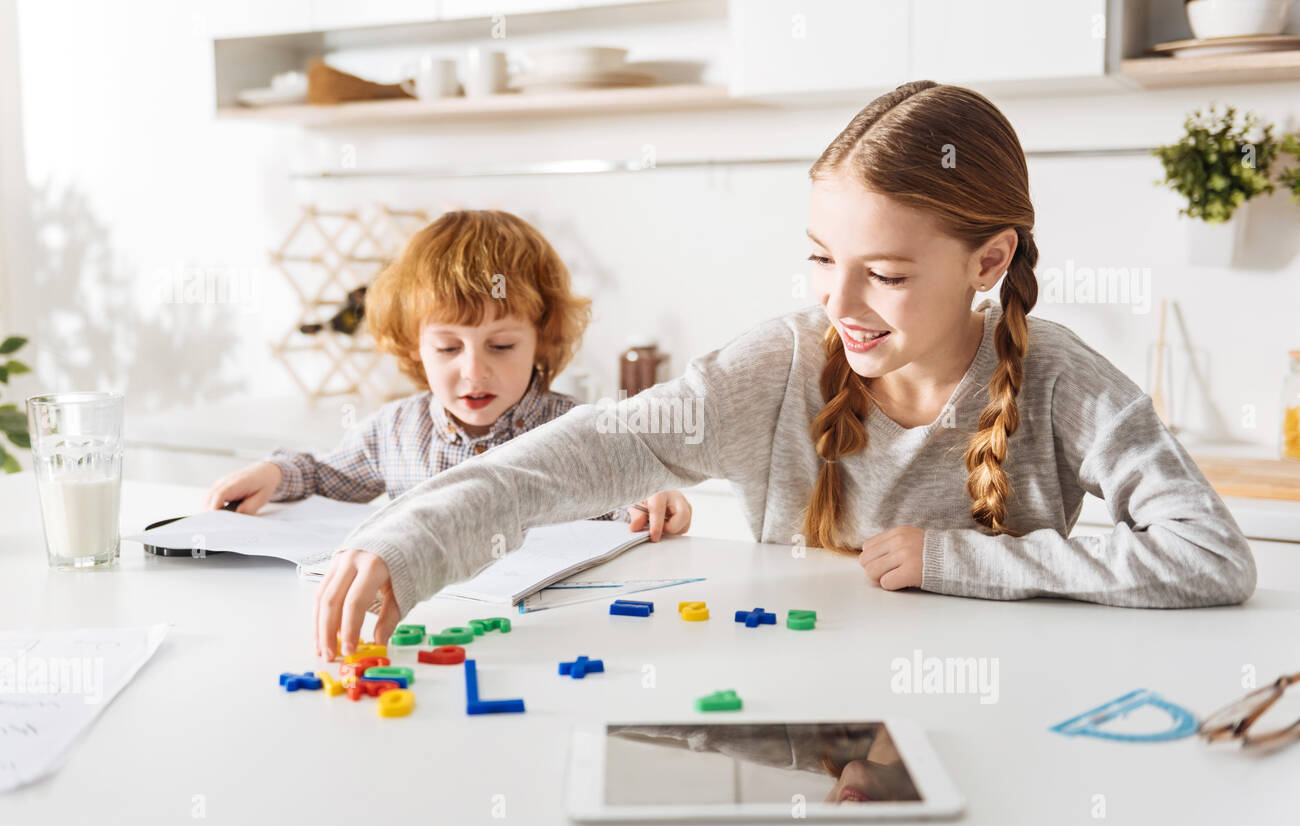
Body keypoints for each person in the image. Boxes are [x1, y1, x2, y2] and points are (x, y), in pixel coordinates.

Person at [312, 82, 1256, 661]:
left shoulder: (1058, 378)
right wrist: (412, 540)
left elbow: (1210, 557)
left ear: (987, 261)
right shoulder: (783, 364)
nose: (838, 303)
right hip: (791, 702)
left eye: (884, 274)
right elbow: (585, 451)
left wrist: (960, 558)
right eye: (819, 259)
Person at [202, 209, 691, 534]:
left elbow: (629, 493)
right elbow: (321, 475)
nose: (474, 370)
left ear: (541, 338)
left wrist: (653, 501)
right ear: (416, 347)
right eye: (448, 347)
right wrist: (273, 472)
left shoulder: (578, 432)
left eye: (501, 345)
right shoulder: (392, 434)